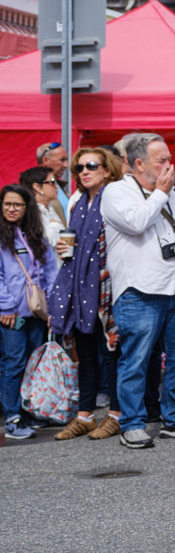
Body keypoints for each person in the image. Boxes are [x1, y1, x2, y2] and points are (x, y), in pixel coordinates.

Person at [101, 133, 175, 449]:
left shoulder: (169, 194)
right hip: (139, 290)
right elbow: (136, 222)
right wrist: (160, 193)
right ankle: (131, 423)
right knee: (136, 360)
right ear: (138, 163)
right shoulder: (116, 192)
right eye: (162, 160)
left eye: (169, 159)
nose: (169, 165)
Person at [51, 148, 124, 441]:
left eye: (91, 165)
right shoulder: (77, 202)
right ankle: (85, 415)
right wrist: (66, 250)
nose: (84, 171)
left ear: (107, 170)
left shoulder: (115, 197)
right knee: (87, 354)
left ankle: (117, 414)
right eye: (79, 167)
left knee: (111, 353)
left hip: (107, 282)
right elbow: (74, 240)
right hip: (79, 285)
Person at [0, 185, 59, 440]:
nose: (12, 209)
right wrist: (6, 307)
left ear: (27, 208)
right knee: (13, 363)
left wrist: (53, 310)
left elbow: (50, 272)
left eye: (18, 205)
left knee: (33, 364)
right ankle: (12, 417)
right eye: (7, 204)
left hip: (37, 313)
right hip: (12, 314)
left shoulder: (36, 235)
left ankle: (28, 411)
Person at [20, 166, 63, 246]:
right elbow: (41, 245)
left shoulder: (50, 208)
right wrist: (55, 227)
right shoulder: (28, 213)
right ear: (37, 187)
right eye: (53, 182)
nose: (57, 186)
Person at [36, 141, 70, 221]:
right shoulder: (35, 190)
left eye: (66, 160)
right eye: (62, 160)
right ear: (45, 161)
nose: (66, 165)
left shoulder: (59, 186)